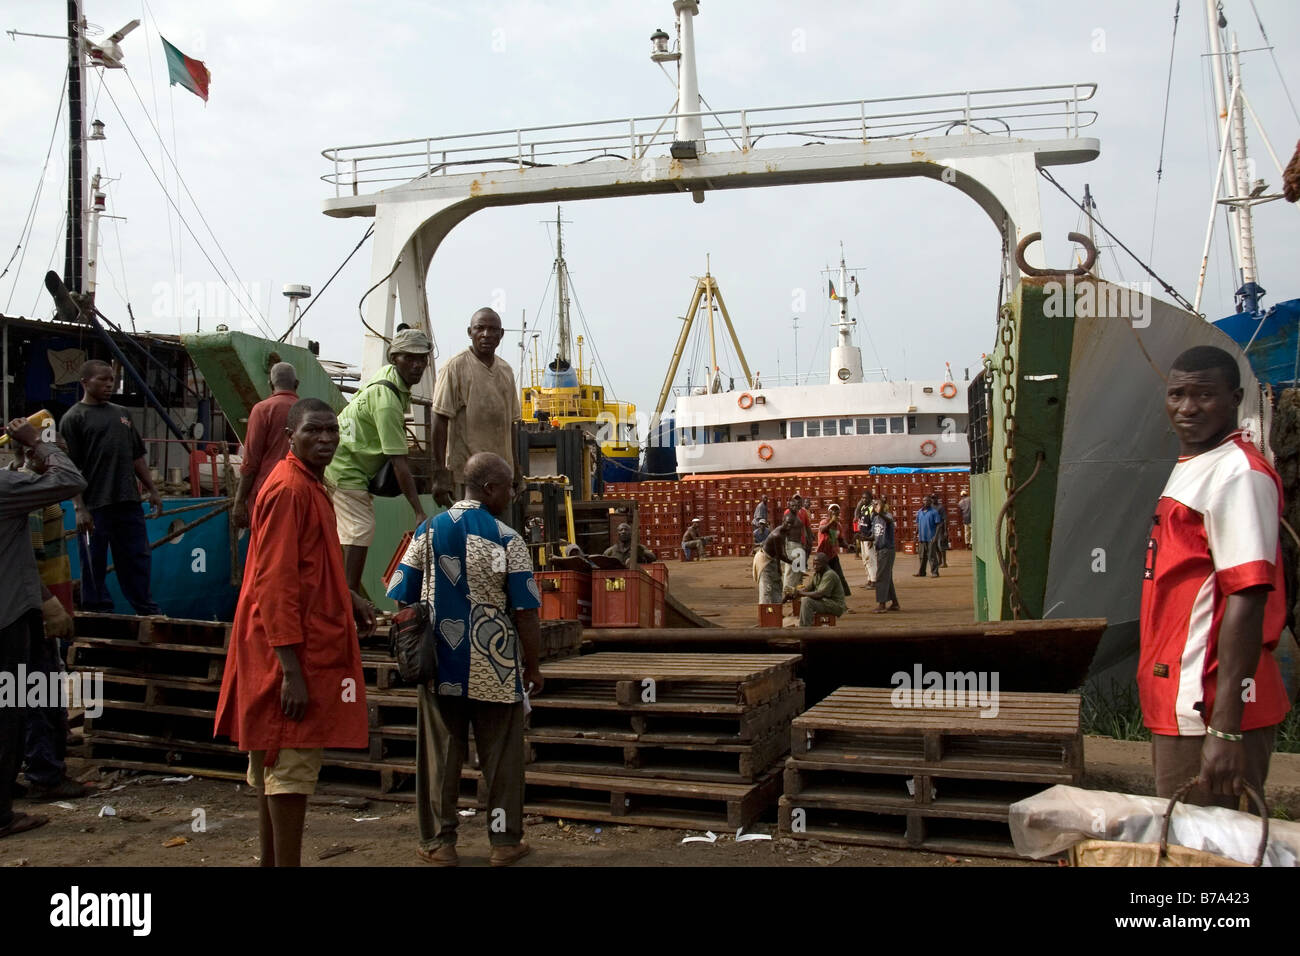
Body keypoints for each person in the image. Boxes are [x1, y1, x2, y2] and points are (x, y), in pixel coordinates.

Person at [214, 398, 376, 866]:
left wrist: (349, 598)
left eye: (331, 431)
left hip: (288, 639)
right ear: (291, 436)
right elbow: (277, 581)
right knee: (290, 766)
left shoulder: (307, 483)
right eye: (314, 432)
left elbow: (310, 565)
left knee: (271, 767)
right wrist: (290, 670)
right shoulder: (290, 490)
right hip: (289, 647)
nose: (325, 439)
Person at [1139, 345, 1291, 809]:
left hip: (1208, 703)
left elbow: (1247, 598)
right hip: (1182, 697)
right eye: (1177, 394)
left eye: (1204, 395)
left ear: (1235, 398)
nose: (1187, 408)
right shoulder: (1199, 465)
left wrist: (1225, 728)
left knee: (1210, 854)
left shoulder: (1238, 475)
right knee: (1195, 846)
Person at [386, 452, 543, 867]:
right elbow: (527, 611)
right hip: (496, 666)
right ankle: (504, 842)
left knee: (441, 757)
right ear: (489, 488)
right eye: (509, 486)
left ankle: (441, 844)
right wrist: (533, 666)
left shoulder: (429, 531)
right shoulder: (509, 539)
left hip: (441, 665)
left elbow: (402, 594)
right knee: (501, 760)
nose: (512, 494)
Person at [1, 417, 86, 839]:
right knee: (18, 703)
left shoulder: (15, 489)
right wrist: (39, 444)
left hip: (24, 600)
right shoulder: (9, 491)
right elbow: (70, 480)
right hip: (15, 610)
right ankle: (26, 787)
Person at [324, 329, 431, 593]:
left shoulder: (388, 377)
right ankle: (348, 599)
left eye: (422, 358)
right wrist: (418, 510)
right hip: (346, 468)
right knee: (360, 528)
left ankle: (340, 594)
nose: (417, 365)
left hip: (342, 458)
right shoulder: (388, 403)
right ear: (395, 358)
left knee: (345, 532)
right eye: (410, 358)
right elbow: (398, 461)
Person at [60, 360, 164, 615]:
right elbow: (69, 468)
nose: (109, 385)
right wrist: (79, 507)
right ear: (85, 382)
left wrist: (152, 489)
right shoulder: (73, 418)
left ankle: (146, 610)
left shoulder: (122, 414)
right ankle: (97, 611)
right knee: (93, 562)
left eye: (112, 380)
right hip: (95, 505)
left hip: (127, 501)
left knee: (137, 559)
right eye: (103, 380)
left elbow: (136, 455)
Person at [430, 308, 523, 508]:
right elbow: (439, 418)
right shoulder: (455, 367)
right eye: (480, 328)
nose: (486, 335)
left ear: (501, 334)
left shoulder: (506, 371)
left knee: (499, 535)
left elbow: (512, 424)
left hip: (500, 477)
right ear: (469, 332)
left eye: (492, 329)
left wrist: (516, 469)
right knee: (469, 535)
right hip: (467, 478)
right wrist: (440, 473)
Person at [232, 362, 299, 529]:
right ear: (296, 384)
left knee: (264, 549)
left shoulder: (262, 409)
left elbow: (250, 462)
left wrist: (239, 501)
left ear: (270, 384)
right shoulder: (306, 411)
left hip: (268, 491)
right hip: (300, 491)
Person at [796, 551, 847, 626]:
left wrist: (800, 593)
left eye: (818, 564)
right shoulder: (817, 574)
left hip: (835, 605)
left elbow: (819, 594)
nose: (815, 567)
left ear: (825, 564)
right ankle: (803, 628)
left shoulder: (830, 575)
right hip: (826, 602)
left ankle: (805, 630)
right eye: (814, 564)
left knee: (807, 601)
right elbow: (807, 589)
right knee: (804, 599)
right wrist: (794, 592)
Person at [754, 513, 795, 604]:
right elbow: (780, 555)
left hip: (772, 560)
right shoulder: (777, 534)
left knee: (777, 585)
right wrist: (792, 562)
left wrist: (778, 568)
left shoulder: (784, 532)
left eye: (791, 524)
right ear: (783, 522)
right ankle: (765, 613)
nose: (789, 526)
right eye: (787, 523)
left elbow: (780, 551)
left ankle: (776, 610)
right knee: (766, 588)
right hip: (764, 560)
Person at [871, 498, 901, 613]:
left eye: (877, 504)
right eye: (874, 505)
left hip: (887, 550)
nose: (875, 506)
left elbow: (889, 521)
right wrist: (863, 538)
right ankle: (895, 603)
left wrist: (880, 512)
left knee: (881, 577)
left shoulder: (887, 516)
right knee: (887, 577)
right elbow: (874, 535)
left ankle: (882, 604)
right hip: (879, 550)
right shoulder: (875, 519)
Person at [815, 503, 851, 596]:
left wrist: (848, 546)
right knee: (823, 576)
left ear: (839, 512)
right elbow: (822, 530)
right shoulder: (824, 522)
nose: (834, 512)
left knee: (839, 575)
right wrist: (832, 521)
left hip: (833, 554)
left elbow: (840, 540)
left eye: (836, 510)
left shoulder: (838, 525)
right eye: (832, 510)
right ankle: (820, 593)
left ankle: (844, 593)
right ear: (829, 512)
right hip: (823, 555)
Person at [914, 495, 942, 578]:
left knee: (931, 556)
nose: (926, 502)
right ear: (922, 501)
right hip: (922, 538)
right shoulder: (919, 512)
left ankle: (935, 572)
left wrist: (935, 537)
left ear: (930, 502)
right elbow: (917, 524)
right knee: (922, 556)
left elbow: (939, 525)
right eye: (924, 500)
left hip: (931, 538)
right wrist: (916, 534)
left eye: (928, 501)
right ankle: (922, 572)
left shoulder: (934, 512)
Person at [854, 489, 876, 587]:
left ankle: (874, 580)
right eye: (862, 498)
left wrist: (872, 538)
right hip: (862, 537)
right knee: (865, 560)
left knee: (871, 559)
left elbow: (874, 524)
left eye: (866, 498)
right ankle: (869, 579)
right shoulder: (863, 507)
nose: (864, 500)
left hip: (868, 538)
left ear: (871, 499)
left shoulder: (872, 508)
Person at [932, 493, 950, 568]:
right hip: (933, 529)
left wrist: (945, 530)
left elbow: (945, 519)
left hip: (941, 528)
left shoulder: (941, 507)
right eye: (932, 498)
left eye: (935, 498)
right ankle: (940, 561)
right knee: (935, 546)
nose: (933, 499)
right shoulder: (931, 507)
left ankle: (944, 563)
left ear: (937, 498)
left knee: (941, 546)